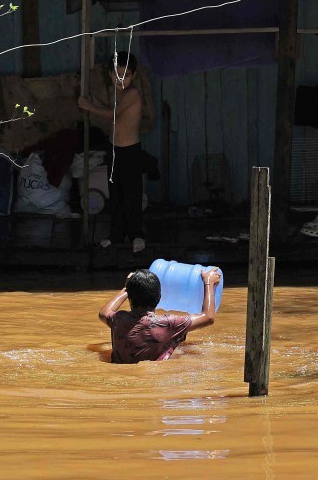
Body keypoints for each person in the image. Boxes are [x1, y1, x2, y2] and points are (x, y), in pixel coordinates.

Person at [78, 52, 145, 252]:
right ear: (110, 74)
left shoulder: (132, 93)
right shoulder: (118, 93)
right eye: (117, 74)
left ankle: (137, 235)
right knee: (115, 195)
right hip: (114, 149)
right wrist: (94, 103)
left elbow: (114, 114)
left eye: (126, 75)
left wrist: (89, 106)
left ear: (133, 76)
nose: (121, 79)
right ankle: (116, 235)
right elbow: (112, 111)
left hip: (130, 151)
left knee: (132, 195)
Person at [98, 267, 220, 364]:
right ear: (160, 297)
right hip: (156, 376)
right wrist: (208, 282)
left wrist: (127, 288)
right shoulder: (169, 324)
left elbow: (103, 313)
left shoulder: (119, 320)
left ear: (129, 297)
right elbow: (208, 317)